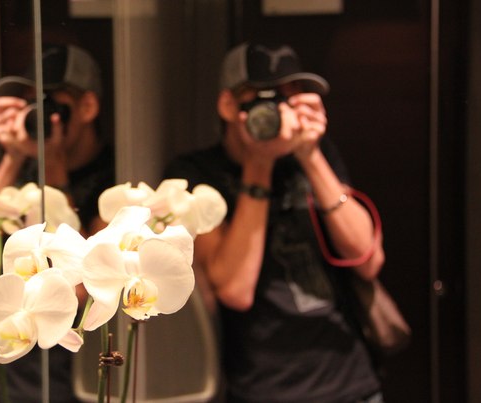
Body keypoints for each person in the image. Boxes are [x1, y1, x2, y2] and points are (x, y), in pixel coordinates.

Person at [164, 42, 386, 402]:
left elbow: (367, 259)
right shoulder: (197, 174)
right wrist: (260, 163)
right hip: (264, 387)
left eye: (289, 98)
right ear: (228, 105)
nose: (278, 112)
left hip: (350, 380)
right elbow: (234, 290)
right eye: (265, 98)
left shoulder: (314, 157)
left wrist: (311, 155)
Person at [0, 43, 114, 403]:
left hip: (65, 385)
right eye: (31, 105)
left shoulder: (114, 177)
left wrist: (54, 169)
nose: (39, 116)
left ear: (88, 107)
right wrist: (12, 157)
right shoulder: (19, 168)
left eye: (50, 103)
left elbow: (83, 287)